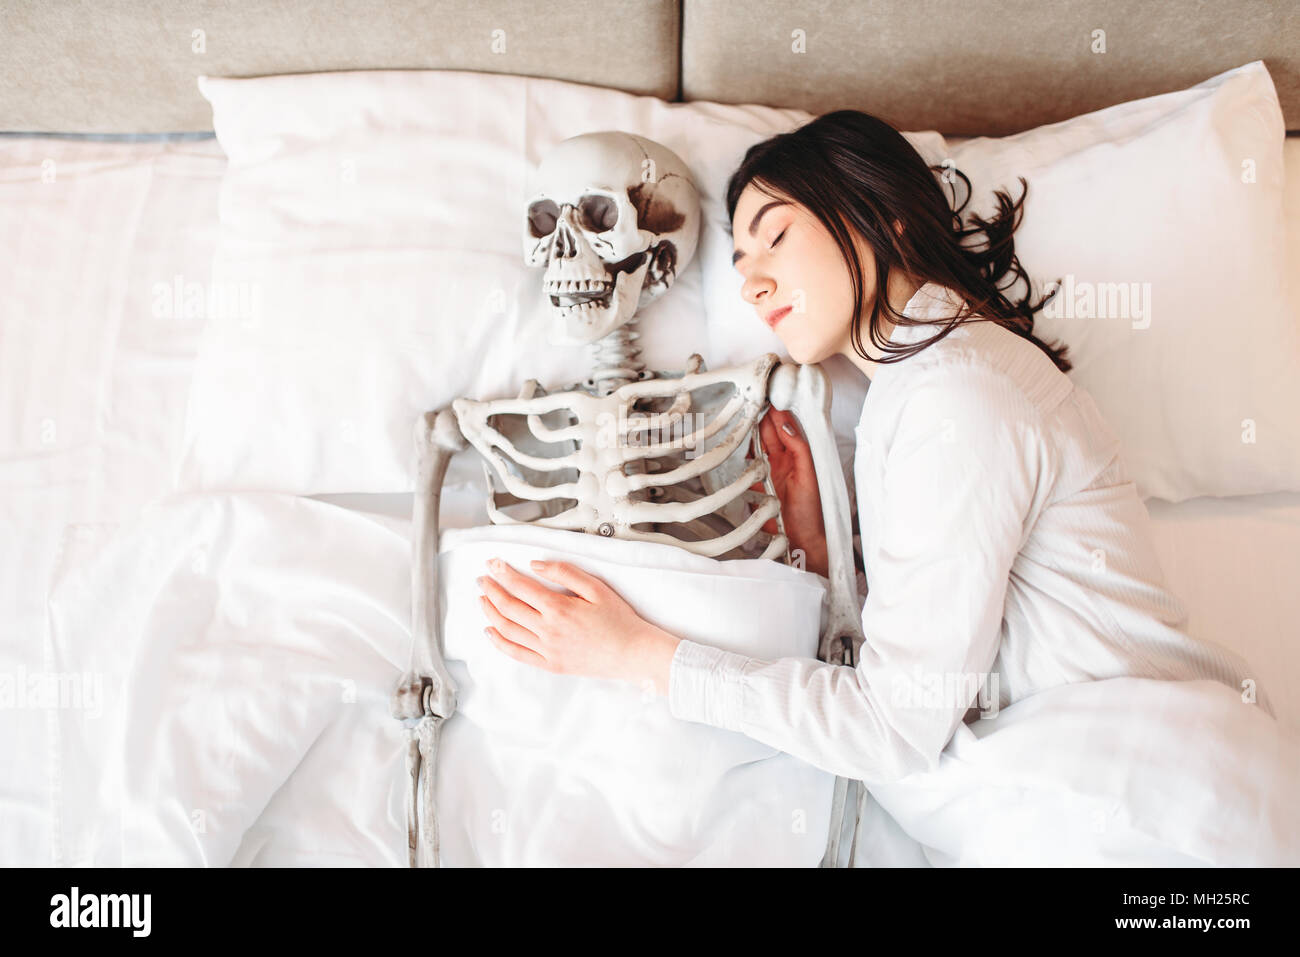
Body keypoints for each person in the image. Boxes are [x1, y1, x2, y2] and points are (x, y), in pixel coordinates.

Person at [474, 110, 1264, 786]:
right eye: (741, 262)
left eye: (774, 237)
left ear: (877, 217)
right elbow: (942, 654)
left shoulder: (959, 392)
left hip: (1145, 791)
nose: (749, 284)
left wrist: (638, 655)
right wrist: (822, 548)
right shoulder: (922, 386)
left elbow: (893, 726)